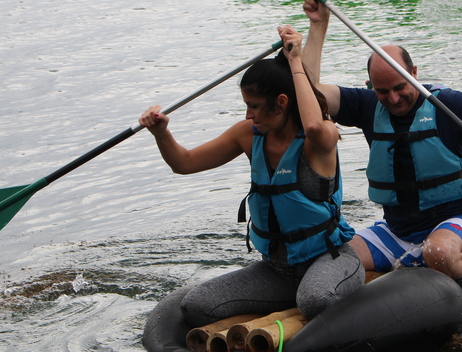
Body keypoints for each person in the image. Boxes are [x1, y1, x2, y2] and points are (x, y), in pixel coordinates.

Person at [301, 0, 462, 280]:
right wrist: (318, 25)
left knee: (437, 252)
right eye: (383, 91)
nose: (394, 98)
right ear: (370, 84)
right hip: (396, 230)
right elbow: (307, 93)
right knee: (334, 260)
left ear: (414, 74)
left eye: (400, 87)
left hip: (460, 221)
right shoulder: (366, 104)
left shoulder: (446, 103)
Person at [138, 24, 363, 327]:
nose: (248, 115)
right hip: (278, 270)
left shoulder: (319, 140)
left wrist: (295, 60)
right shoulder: (248, 135)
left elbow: (312, 125)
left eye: (254, 106)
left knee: (315, 299)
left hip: (330, 260)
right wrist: (161, 133)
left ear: (281, 103)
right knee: (197, 305)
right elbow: (185, 163)